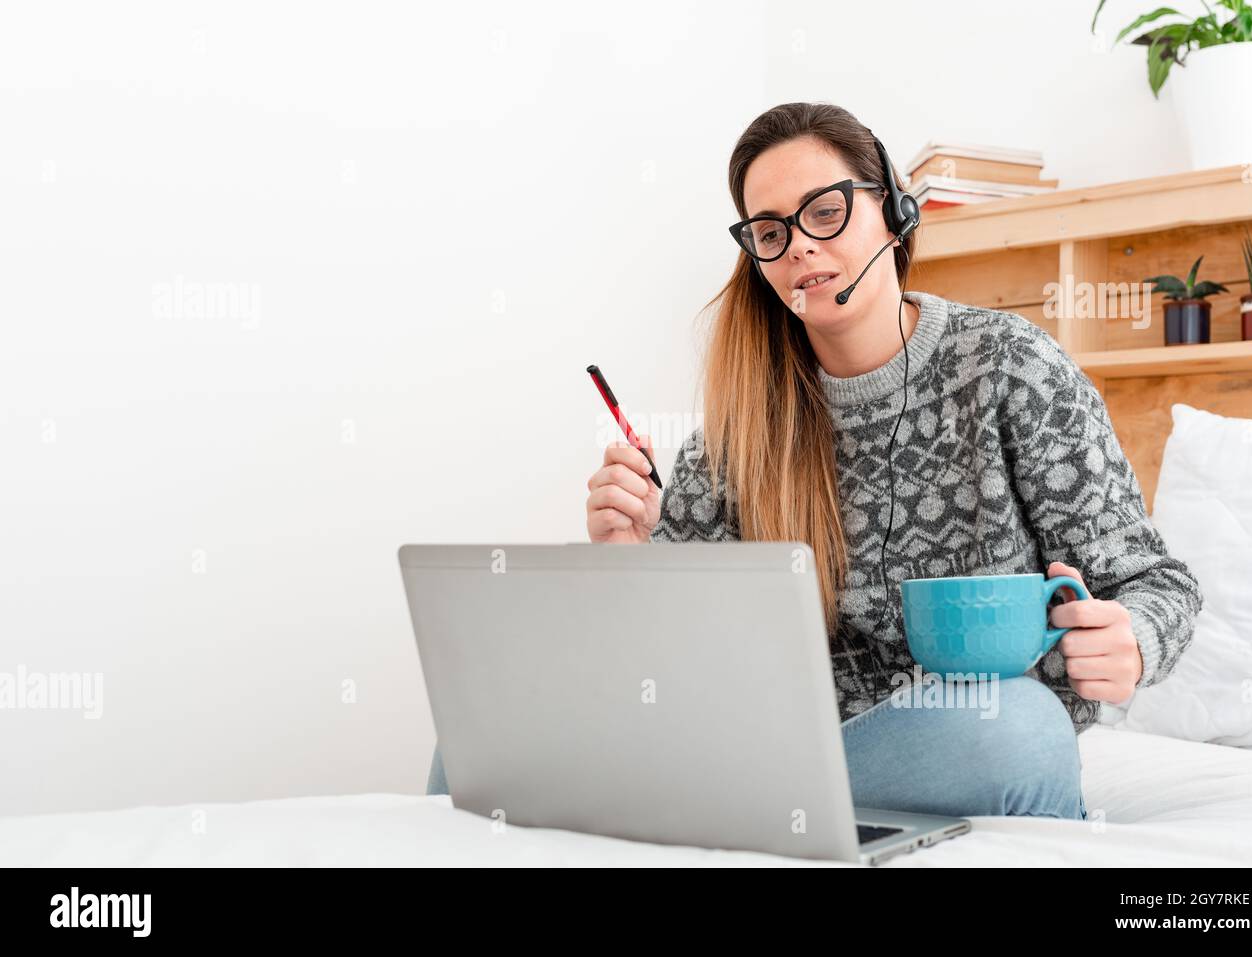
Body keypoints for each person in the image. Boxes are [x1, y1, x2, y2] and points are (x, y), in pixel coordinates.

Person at [435, 103, 1204, 820]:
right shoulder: (740, 427)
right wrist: (627, 557)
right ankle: (744, 803)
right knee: (487, 722)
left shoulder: (1011, 367)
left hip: (951, 748)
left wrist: (1134, 636)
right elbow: (676, 655)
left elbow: (1155, 581)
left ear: (895, 211)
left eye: (826, 211)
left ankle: (730, 807)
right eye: (770, 231)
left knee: (1019, 726)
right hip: (772, 750)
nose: (800, 243)